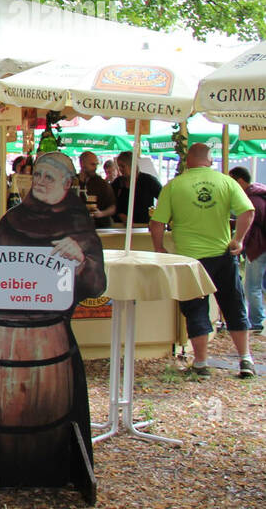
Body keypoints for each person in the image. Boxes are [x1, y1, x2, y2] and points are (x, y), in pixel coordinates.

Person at [0, 151, 103, 504]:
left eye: (48, 177)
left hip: (49, 335)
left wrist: (82, 259)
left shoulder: (79, 225)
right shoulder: (12, 218)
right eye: (36, 174)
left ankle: (60, 467)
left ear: (68, 185)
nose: (39, 181)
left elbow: (97, 283)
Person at [150, 143, 256, 378]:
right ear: (209, 160)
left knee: (195, 308)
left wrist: (159, 247)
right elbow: (248, 211)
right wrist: (238, 240)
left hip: (190, 259)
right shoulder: (227, 182)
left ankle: (201, 363)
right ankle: (245, 359)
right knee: (233, 304)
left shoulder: (174, 185)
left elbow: (156, 223)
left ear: (187, 161)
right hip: (222, 256)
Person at [229, 166, 266, 333]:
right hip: (261, 246)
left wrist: (240, 242)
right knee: (258, 285)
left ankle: (256, 321)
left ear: (241, 181)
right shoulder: (259, 194)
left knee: (252, 286)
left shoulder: (251, 200)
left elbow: (248, 226)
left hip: (258, 247)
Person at [111, 151, 162, 225]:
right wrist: (119, 214)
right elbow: (111, 203)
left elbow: (163, 198)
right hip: (120, 226)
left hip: (143, 225)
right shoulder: (117, 183)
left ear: (132, 165)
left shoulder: (149, 181)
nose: (120, 169)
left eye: (123, 166)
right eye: (119, 166)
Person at [76, 151, 117, 227]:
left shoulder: (102, 184)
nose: (95, 168)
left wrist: (101, 214)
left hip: (99, 228)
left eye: (96, 164)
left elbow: (113, 207)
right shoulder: (72, 182)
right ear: (82, 164)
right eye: (92, 164)